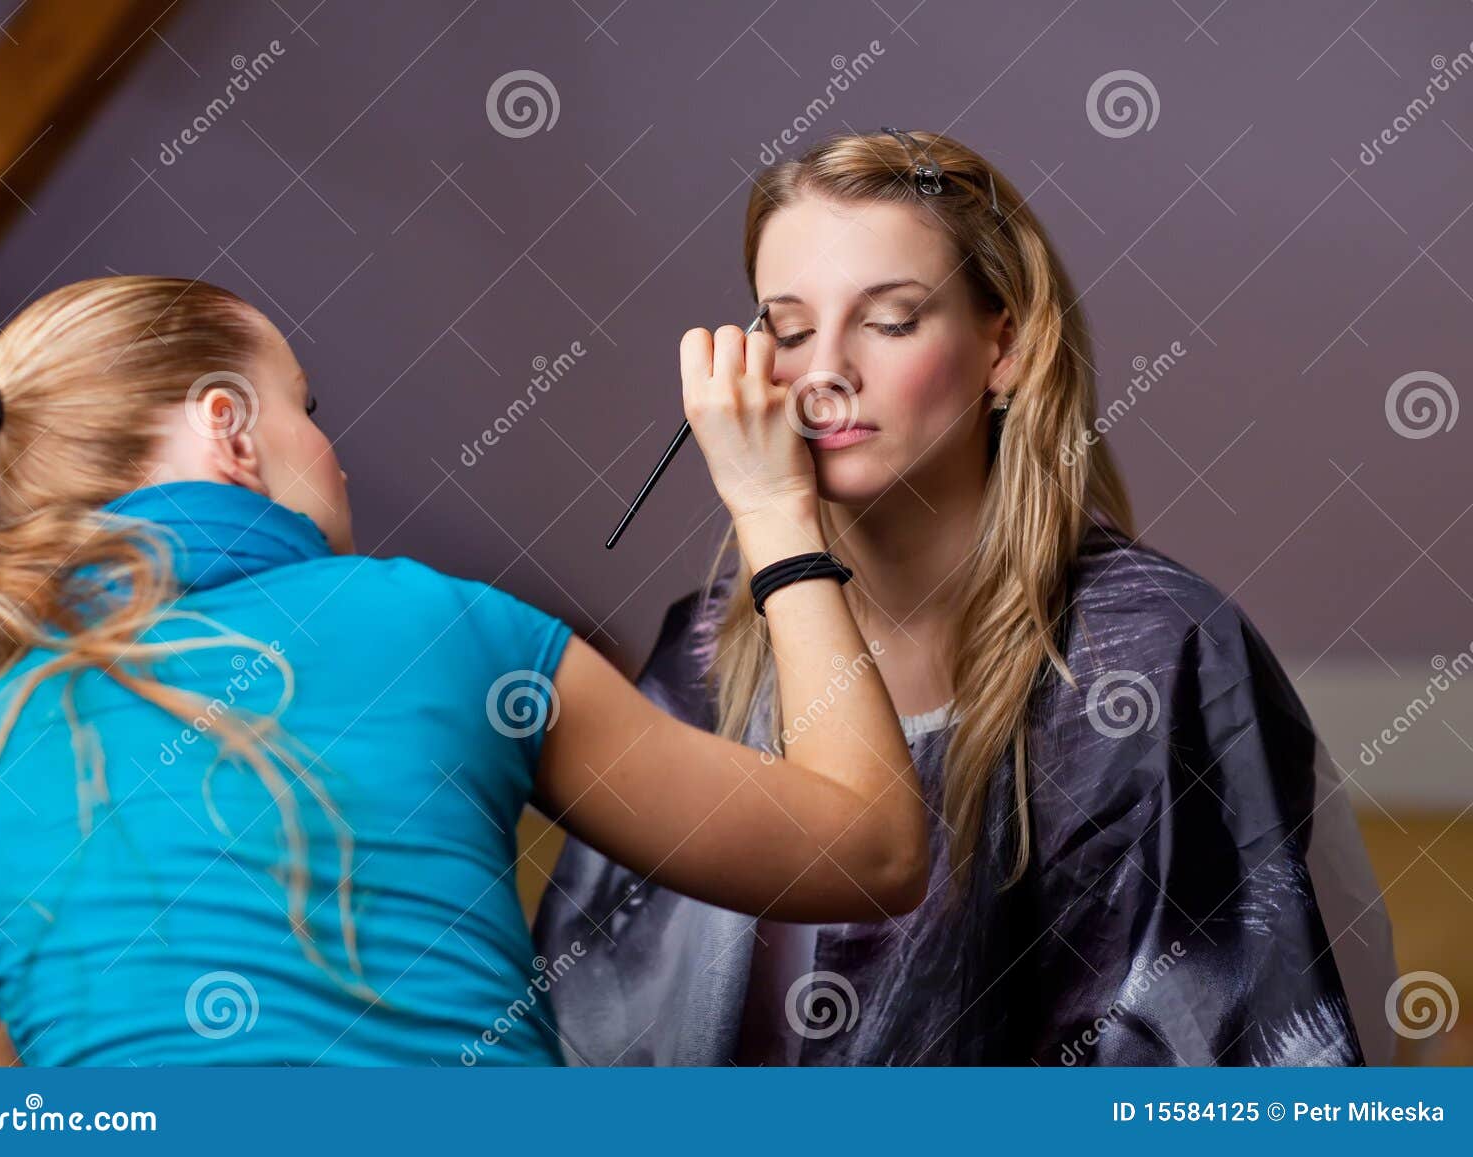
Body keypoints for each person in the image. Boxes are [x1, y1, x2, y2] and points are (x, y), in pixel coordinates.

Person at [0, 275, 929, 1066]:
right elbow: (871, 850)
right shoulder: (432, 623)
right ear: (227, 426)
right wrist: (773, 508)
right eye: (308, 407)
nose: (329, 451)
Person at [535, 129, 1399, 1066]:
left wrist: (775, 515)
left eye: (892, 320)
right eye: (787, 330)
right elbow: (580, 1028)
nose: (823, 372)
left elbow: (1236, 1055)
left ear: (1006, 348)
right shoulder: (704, 653)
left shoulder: (1158, 653)